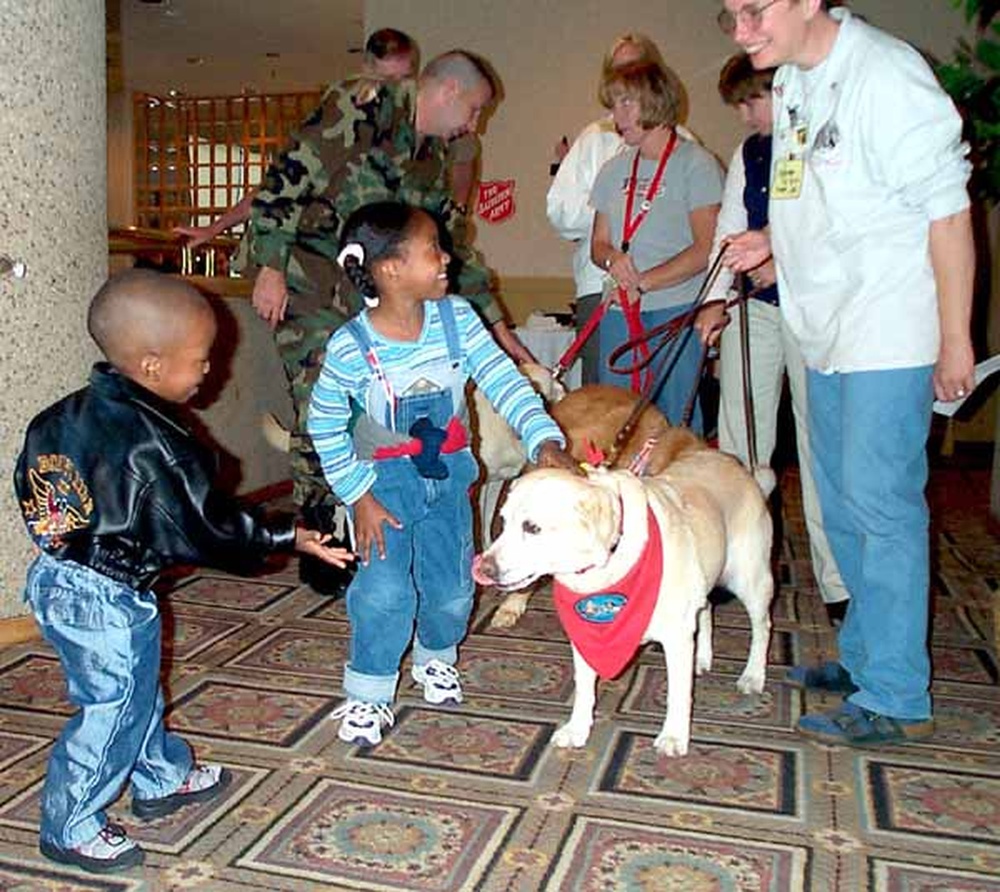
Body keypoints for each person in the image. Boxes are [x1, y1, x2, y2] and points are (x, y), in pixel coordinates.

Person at [13, 269, 354, 873]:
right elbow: (209, 528)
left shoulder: (57, 416)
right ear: (149, 366)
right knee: (113, 703)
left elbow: (35, 488)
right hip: (104, 595)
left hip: (59, 576)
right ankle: (69, 823)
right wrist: (285, 534)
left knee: (135, 687)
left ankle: (160, 775)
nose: (210, 372)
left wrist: (64, 544)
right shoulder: (159, 446)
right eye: (199, 360)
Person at [720, 0, 975, 746]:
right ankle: (866, 660)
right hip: (821, 322)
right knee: (839, 501)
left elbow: (949, 215)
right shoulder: (796, 79)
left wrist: (955, 338)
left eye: (755, 10)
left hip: (891, 326)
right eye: (729, 14)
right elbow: (817, 196)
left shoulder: (888, 76)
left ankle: (896, 693)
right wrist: (769, 241)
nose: (741, 31)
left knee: (881, 504)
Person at [247, 49, 535, 595]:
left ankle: (366, 522)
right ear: (448, 91)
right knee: (319, 406)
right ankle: (319, 536)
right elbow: (284, 182)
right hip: (308, 280)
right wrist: (268, 266)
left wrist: (497, 324)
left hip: (367, 295)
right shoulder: (359, 106)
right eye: (473, 111)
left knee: (368, 414)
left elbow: (447, 247)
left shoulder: (429, 158)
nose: (473, 126)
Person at [307, 202, 576, 746]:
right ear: (390, 270)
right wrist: (357, 497)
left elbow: (504, 380)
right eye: (433, 248)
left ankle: (435, 656)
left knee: (453, 583)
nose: (447, 256)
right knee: (383, 590)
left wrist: (543, 437)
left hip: (449, 475)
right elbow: (324, 423)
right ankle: (369, 692)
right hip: (382, 484)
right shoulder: (351, 347)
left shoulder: (458, 319)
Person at [694, 53, 848, 621]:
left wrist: (782, 257)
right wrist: (713, 297)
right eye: (737, 105)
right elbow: (730, 229)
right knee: (737, 442)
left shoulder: (822, 144)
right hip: (751, 308)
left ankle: (837, 581)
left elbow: (835, 227)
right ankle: (729, 562)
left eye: (751, 102)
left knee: (818, 445)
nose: (744, 115)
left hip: (814, 311)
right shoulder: (750, 153)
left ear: (782, 93)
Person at [171, 28, 419, 250]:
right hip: (313, 260)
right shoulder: (340, 117)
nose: (395, 92)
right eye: (386, 82)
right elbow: (279, 182)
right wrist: (216, 227)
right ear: (367, 71)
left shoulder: (402, 133)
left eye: (403, 80)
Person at [590, 61, 723, 433]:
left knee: (676, 418)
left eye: (626, 103)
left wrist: (644, 282)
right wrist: (613, 258)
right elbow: (598, 244)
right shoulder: (614, 170)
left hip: (674, 310)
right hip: (620, 308)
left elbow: (706, 248)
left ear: (655, 102)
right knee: (616, 418)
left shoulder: (696, 165)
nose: (616, 115)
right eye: (614, 105)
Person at [546, 33, 683, 385]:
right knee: (606, 401)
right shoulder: (595, 138)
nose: (627, 79)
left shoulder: (685, 146)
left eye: (638, 69)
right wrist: (615, 212)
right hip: (603, 285)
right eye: (619, 71)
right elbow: (561, 212)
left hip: (669, 288)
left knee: (665, 394)